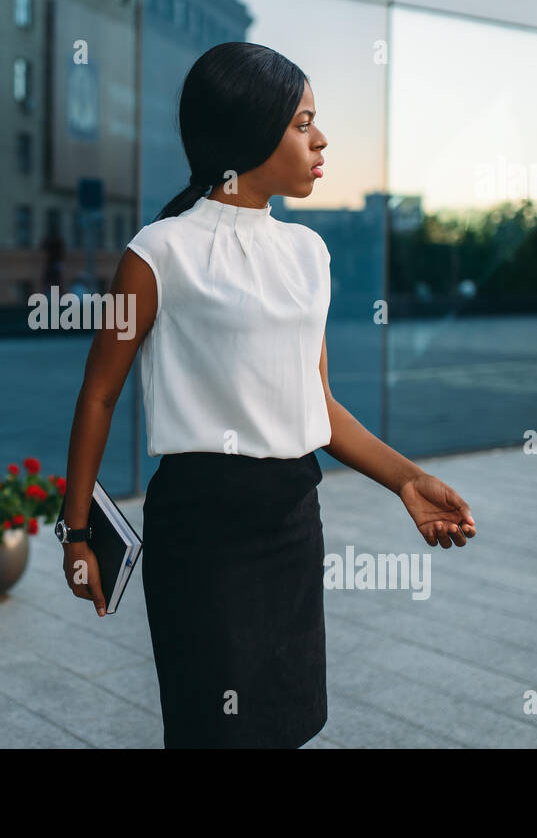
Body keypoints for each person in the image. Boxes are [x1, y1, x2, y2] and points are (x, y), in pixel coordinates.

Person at [56, 42, 477, 748]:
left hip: (291, 519)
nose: (320, 139)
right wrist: (75, 532)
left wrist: (407, 480)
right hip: (200, 530)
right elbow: (98, 395)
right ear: (248, 129)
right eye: (301, 121)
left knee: (285, 723)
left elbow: (319, 406)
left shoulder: (309, 253)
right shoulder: (157, 253)